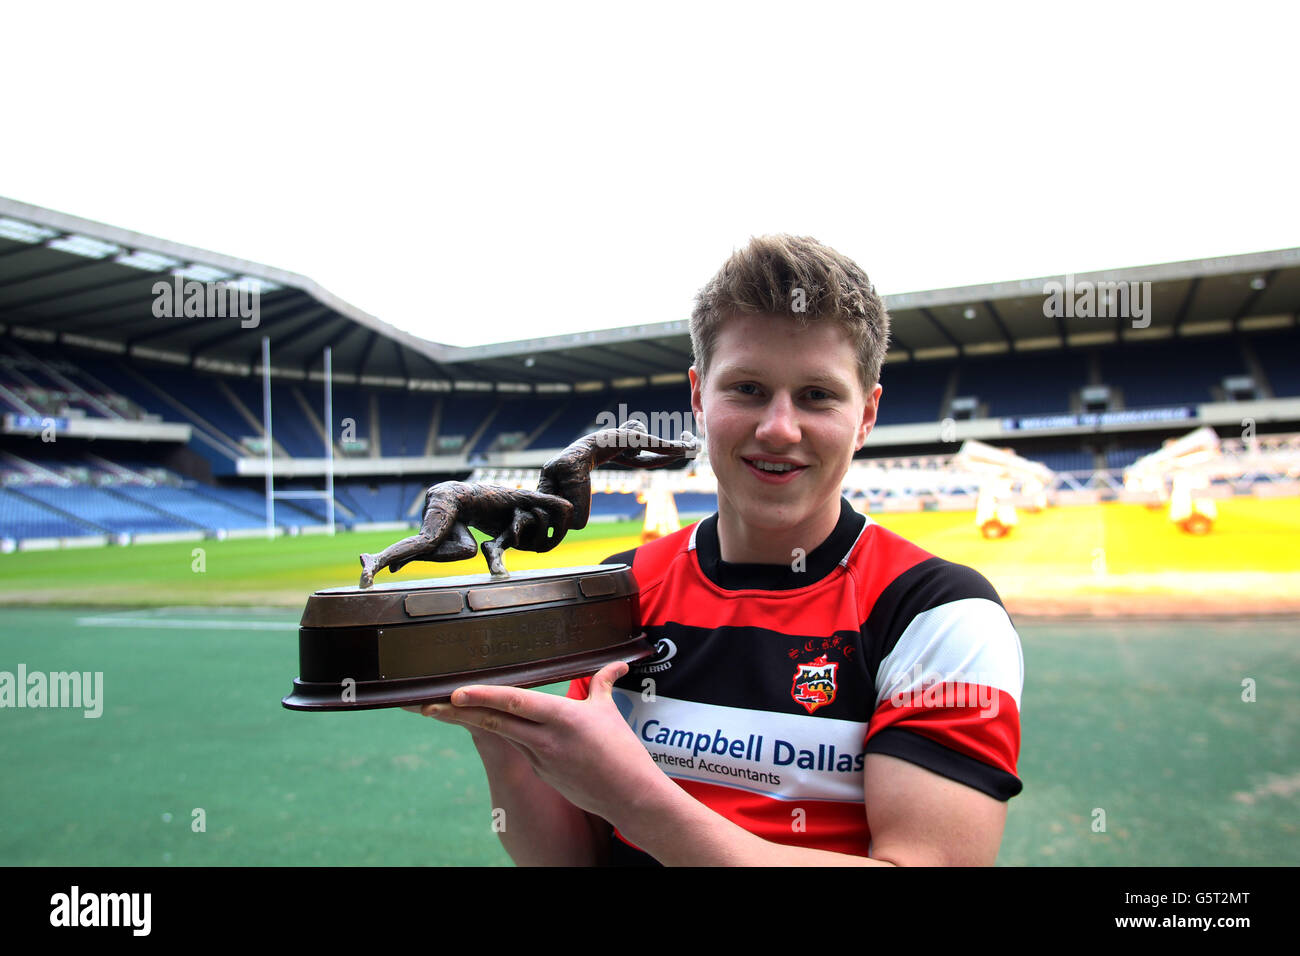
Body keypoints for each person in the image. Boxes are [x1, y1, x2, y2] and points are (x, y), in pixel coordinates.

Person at [409, 235, 1024, 865]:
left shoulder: (939, 615)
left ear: (866, 415)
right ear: (699, 398)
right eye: (748, 389)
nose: (778, 428)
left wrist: (634, 799)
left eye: (818, 395)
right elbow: (574, 858)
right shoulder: (620, 586)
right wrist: (498, 728)